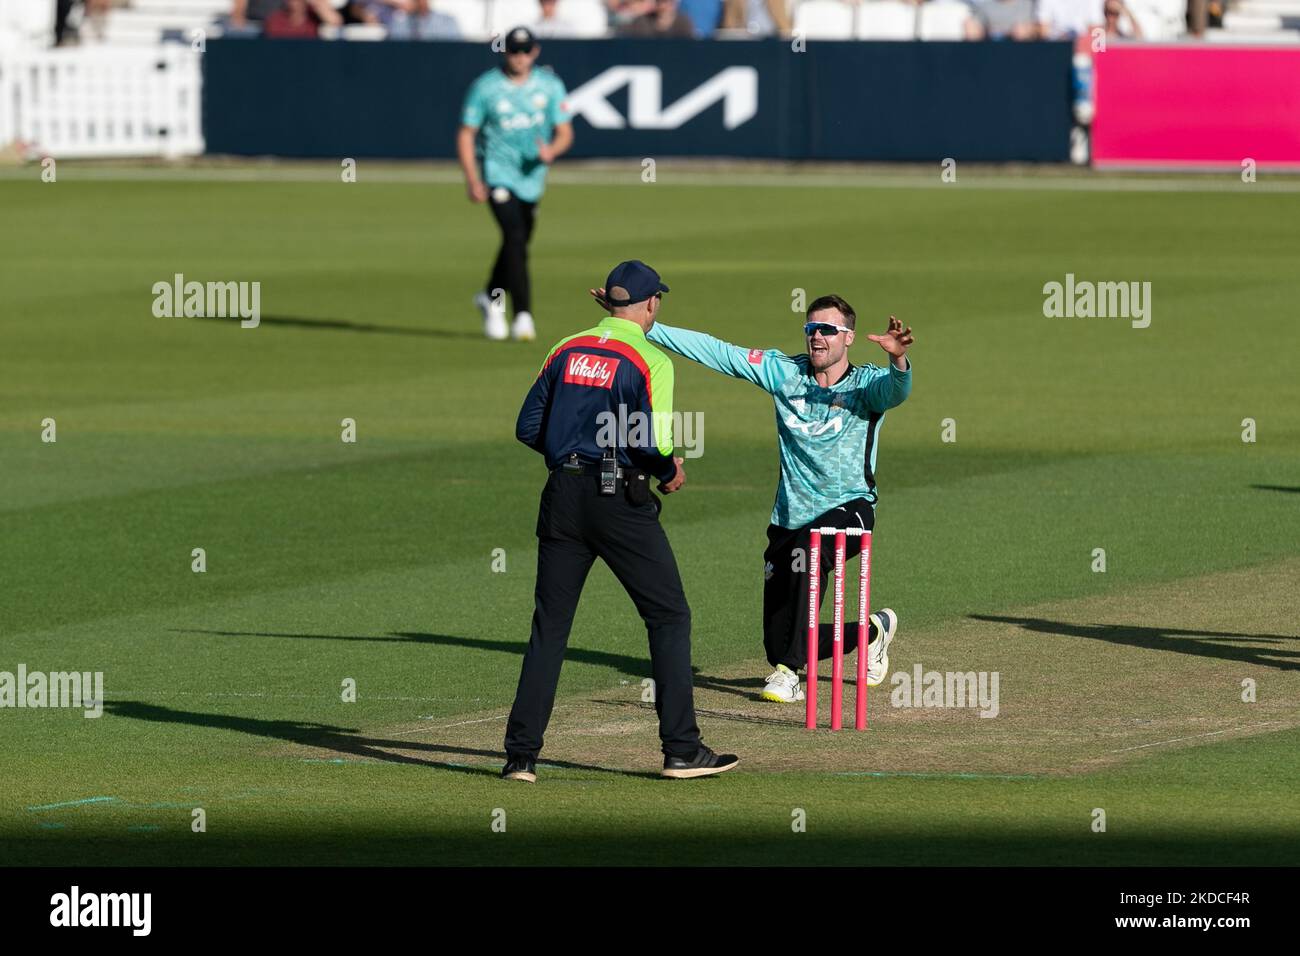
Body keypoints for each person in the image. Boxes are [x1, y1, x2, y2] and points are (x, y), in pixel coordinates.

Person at [611, 294, 913, 705]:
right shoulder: (784, 372)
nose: (818, 337)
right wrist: (641, 325)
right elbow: (718, 352)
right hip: (789, 516)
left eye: (828, 330)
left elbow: (896, 391)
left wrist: (898, 361)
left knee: (812, 550)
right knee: (782, 637)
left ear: (849, 338)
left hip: (852, 510)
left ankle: (789, 674)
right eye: (812, 329)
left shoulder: (866, 386)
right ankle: (870, 633)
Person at [505, 260, 739, 782]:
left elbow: (526, 427)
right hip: (617, 498)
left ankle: (520, 757)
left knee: (551, 626)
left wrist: (572, 451)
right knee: (669, 616)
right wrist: (669, 467)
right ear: (652, 303)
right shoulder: (650, 360)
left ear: (610, 301)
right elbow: (648, 442)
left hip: (562, 494)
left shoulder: (564, 347)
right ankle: (681, 749)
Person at [458, 27, 574, 342]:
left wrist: (552, 150)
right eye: (513, 50)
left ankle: (490, 295)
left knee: (517, 242)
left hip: (532, 178)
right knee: (514, 235)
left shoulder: (549, 86)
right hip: (497, 173)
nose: (519, 57)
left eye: (525, 51)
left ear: (534, 52)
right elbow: (467, 133)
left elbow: (564, 131)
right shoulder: (486, 88)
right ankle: (522, 314)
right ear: (504, 51)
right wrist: (473, 178)